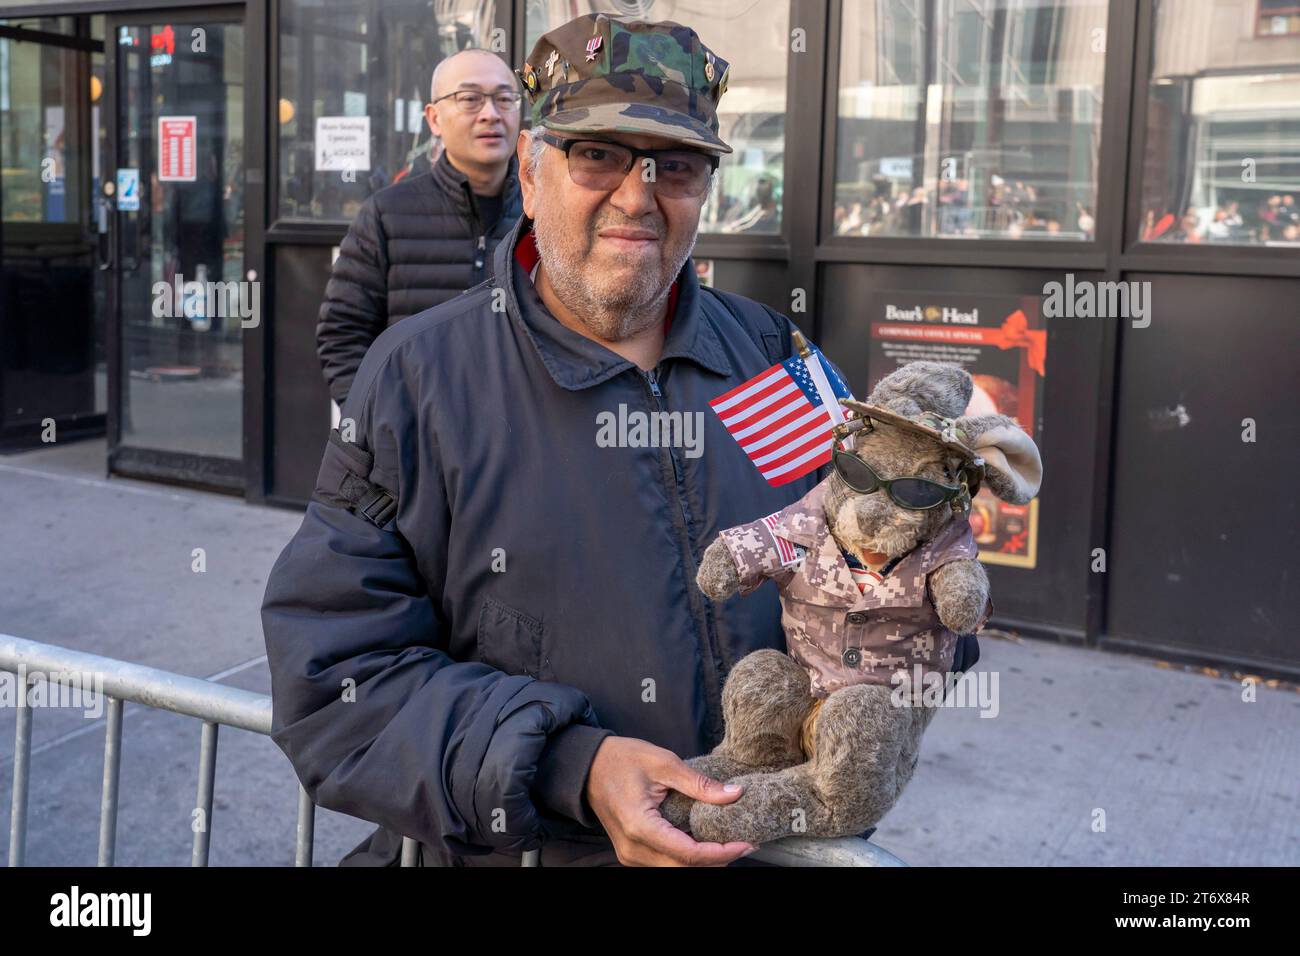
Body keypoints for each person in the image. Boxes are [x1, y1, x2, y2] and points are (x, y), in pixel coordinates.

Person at [263, 14, 976, 868]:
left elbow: (893, 576)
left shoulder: (776, 362)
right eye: (596, 154)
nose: (638, 197)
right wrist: (574, 767)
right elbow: (335, 680)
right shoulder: (419, 380)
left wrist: (919, 620)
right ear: (531, 174)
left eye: (673, 166)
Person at [315, 48, 523, 407]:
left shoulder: (547, 214)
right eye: (470, 99)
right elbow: (343, 334)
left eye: (505, 98)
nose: (491, 114)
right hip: (419, 448)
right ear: (434, 119)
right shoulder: (387, 214)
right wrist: (381, 432)